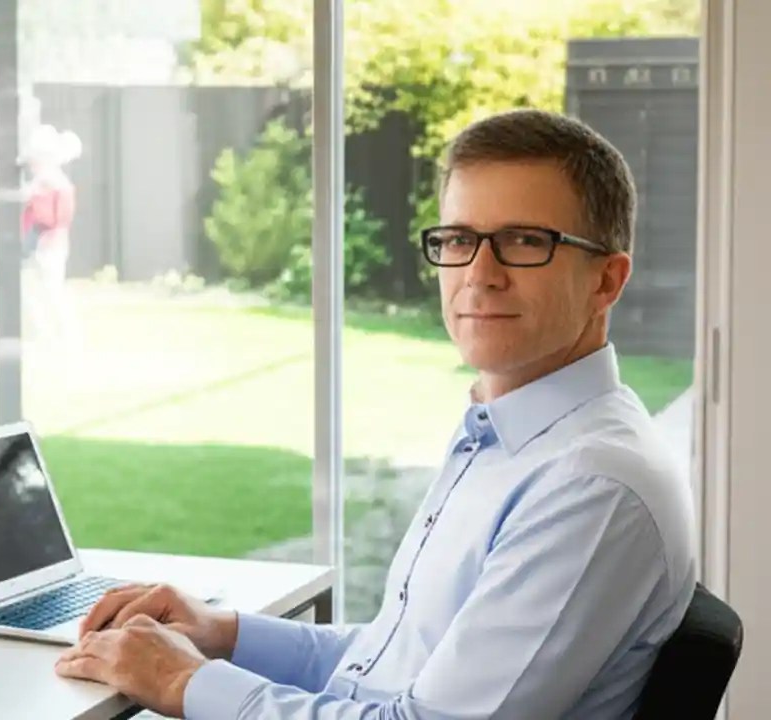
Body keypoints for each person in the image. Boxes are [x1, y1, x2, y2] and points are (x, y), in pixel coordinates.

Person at [55, 109, 697, 719]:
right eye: (459, 239)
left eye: (525, 241)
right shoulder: (508, 440)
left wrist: (182, 681)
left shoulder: (590, 485)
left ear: (606, 281)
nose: (479, 274)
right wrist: (224, 633)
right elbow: (390, 661)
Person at [19, 123, 81, 344]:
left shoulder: (52, 182)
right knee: (36, 288)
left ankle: (61, 333)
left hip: (49, 244)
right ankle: (45, 332)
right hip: (42, 242)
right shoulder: (52, 181)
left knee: (50, 290)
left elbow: (29, 198)